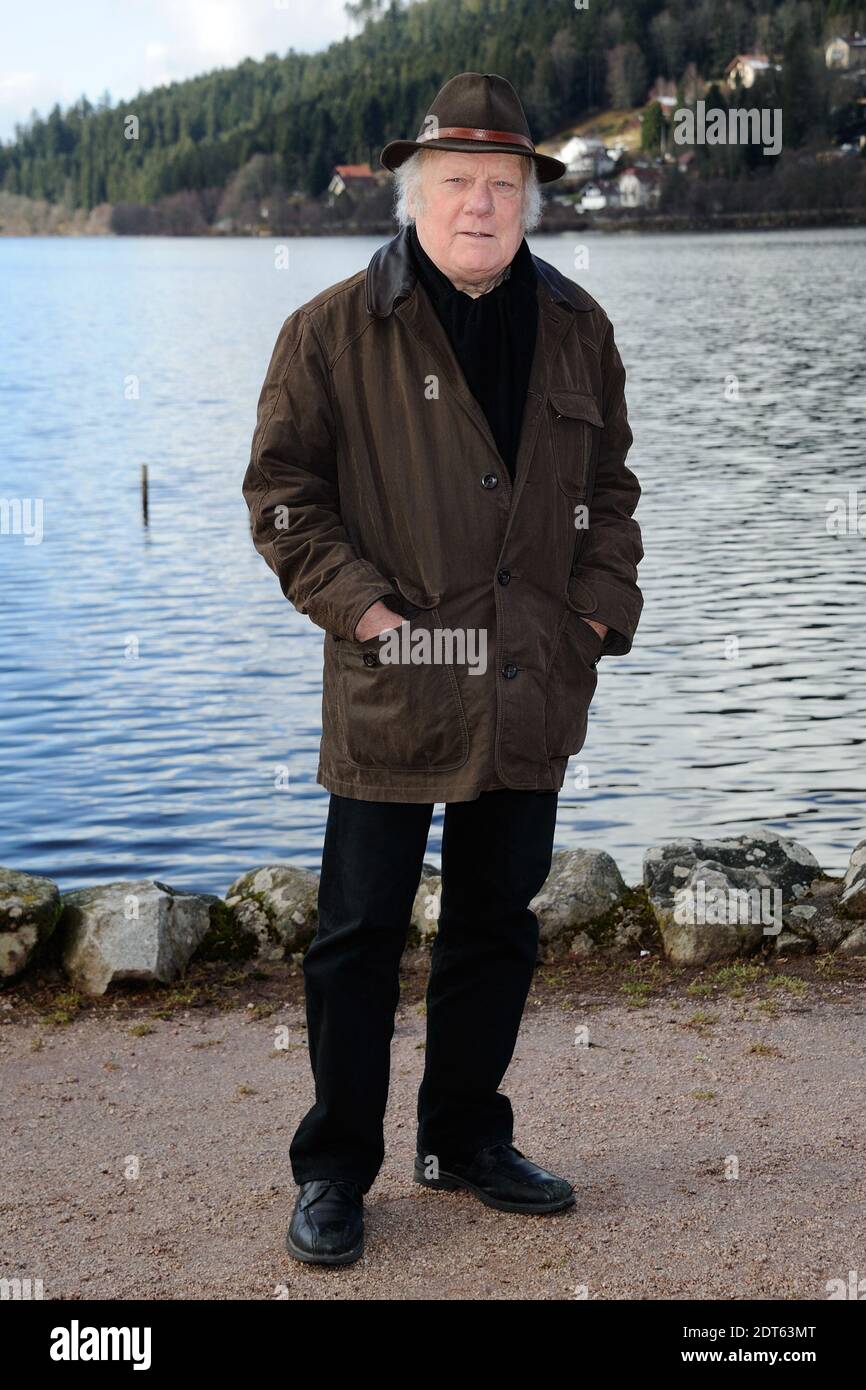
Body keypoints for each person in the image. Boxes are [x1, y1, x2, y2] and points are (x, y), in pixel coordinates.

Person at [242, 71, 644, 1266]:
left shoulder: (577, 326)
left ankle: (464, 1137)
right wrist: (363, 612)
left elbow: (611, 496)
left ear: (529, 197)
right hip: (393, 675)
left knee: (494, 924)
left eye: (503, 183)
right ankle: (333, 1171)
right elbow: (282, 496)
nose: (481, 202)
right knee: (355, 934)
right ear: (414, 192)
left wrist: (591, 617)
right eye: (459, 180)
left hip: (530, 676)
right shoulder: (327, 328)